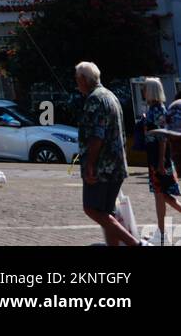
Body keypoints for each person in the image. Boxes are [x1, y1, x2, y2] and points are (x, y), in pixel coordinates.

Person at [76, 61, 142, 246]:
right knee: (107, 211)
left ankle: (135, 244)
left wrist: (90, 164)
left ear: (84, 79)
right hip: (117, 164)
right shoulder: (110, 96)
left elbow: (97, 135)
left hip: (102, 167)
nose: (77, 83)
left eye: (77, 79)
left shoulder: (94, 99)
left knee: (92, 209)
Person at [143, 77, 181, 245]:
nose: (143, 91)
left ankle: (161, 233)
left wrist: (159, 162)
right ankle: (161, 232)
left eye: (145, 88)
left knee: (160, 195)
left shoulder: (157, 109)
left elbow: (162, 138)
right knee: (161, 194)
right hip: (155, 157)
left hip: (159, 158)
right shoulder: (153, 108)